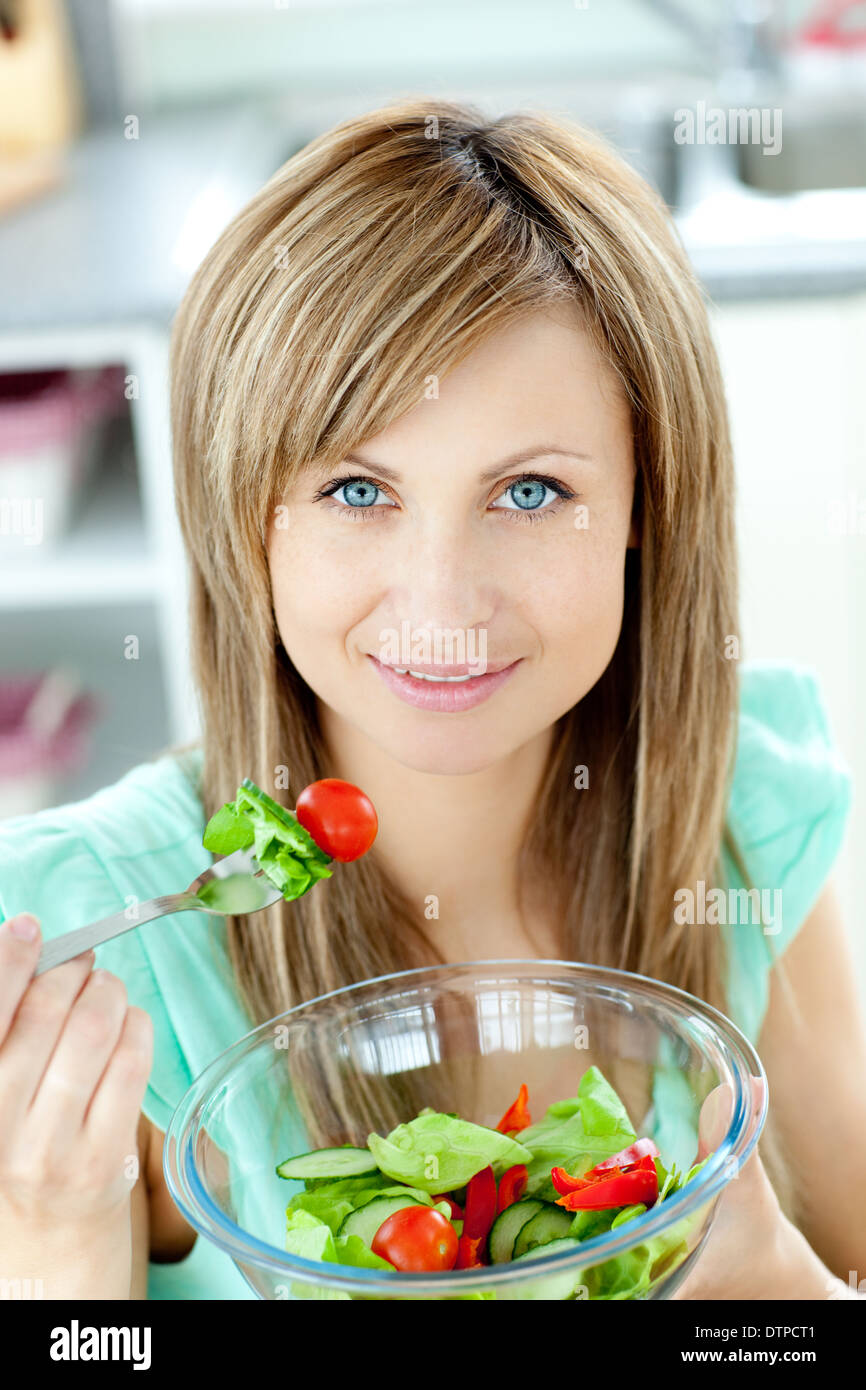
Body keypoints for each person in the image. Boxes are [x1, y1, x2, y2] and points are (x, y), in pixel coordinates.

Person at [1, 98, 863, 1301]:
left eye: (527, 493)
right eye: (357, 491)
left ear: (644, 508)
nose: (442, 602)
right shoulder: (89, 958)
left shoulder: (740, 817)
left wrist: (778, 1297)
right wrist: (47, 1227)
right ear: (244, 521)